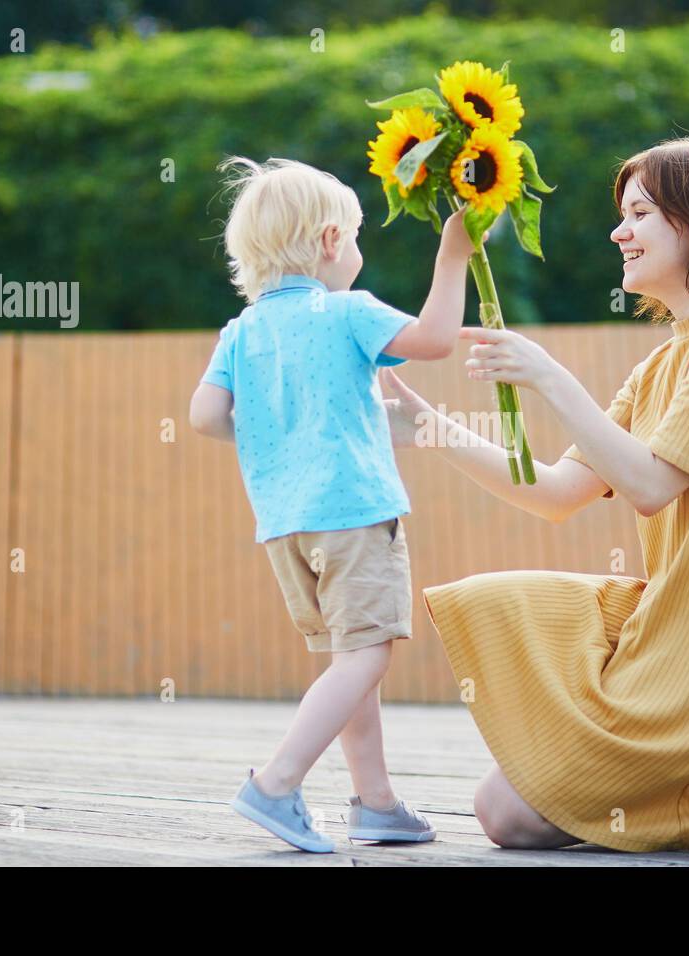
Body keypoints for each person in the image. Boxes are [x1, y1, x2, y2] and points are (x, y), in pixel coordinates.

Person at [381, 136, 689, 852]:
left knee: (510, 817)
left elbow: (652, 485)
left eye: (640, 213)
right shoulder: (659, 364)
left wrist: (548, 376)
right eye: (623, 215)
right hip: (674, 624)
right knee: (501, 805)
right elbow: (558, 492)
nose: (619, 232)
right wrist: (427, 429)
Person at [189, 156, 479, 852]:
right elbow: (437, 340)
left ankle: (375, 803)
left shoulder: (242, 330)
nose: (356, 250)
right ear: (327, 242)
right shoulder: (348, 310)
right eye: (352, 237)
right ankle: (276, 784)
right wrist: (454, 253)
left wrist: (280, 435)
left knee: (348, 660)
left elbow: (204, 416)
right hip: (353, 515)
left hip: (286, 527)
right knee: (367, 658)